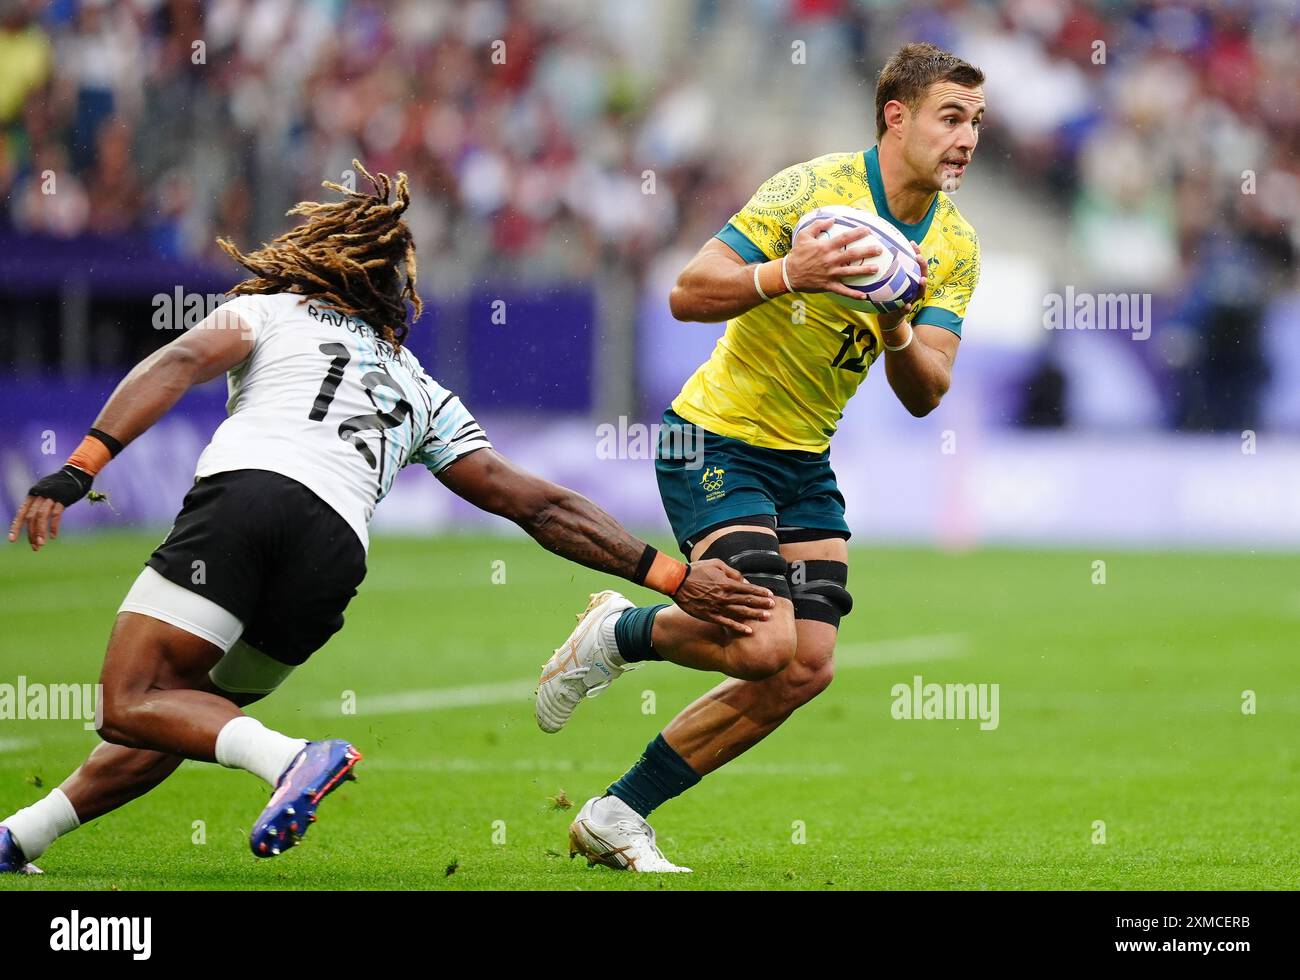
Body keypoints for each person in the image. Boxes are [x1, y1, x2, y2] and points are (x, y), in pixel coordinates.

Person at [1, 162, 774, 875]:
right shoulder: (419, 386)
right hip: (333, 557)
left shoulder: (273, 309)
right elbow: (534, 502)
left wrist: (80, 467)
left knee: (128, 698)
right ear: (394, 302)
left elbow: (173, 364)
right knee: (185, 710)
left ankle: (294, 758)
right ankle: (22, 835)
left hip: (250, 500)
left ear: (317, 261)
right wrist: (668, 573)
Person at [535, 43, 984, 872]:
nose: (966, 139)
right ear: (897, 116)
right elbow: (686, 292)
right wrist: (791, 272)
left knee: (804, 667)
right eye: (950, 117)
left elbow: (927, 391)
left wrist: (895, 324)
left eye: (976, 123)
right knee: (761, 645)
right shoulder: (812, 191)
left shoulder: (953, 246)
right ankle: (621, 632)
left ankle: (614, 814)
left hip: (801, 459)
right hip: (712, 435)